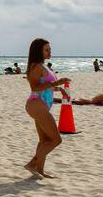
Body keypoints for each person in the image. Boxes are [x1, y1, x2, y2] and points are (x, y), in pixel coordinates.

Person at [23, 38, 70, 179]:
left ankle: (39, 170)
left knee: (44, 141)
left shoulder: (44, 67)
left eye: (50, 49)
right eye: (47, 49)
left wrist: (58, 88)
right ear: (39, 51)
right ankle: (31, 164)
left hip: (41, 105)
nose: (50, 51)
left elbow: (46, 85)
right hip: (37, 104)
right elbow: (35, 87)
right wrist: (57, 82)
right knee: (56, 140)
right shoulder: (35, 66)